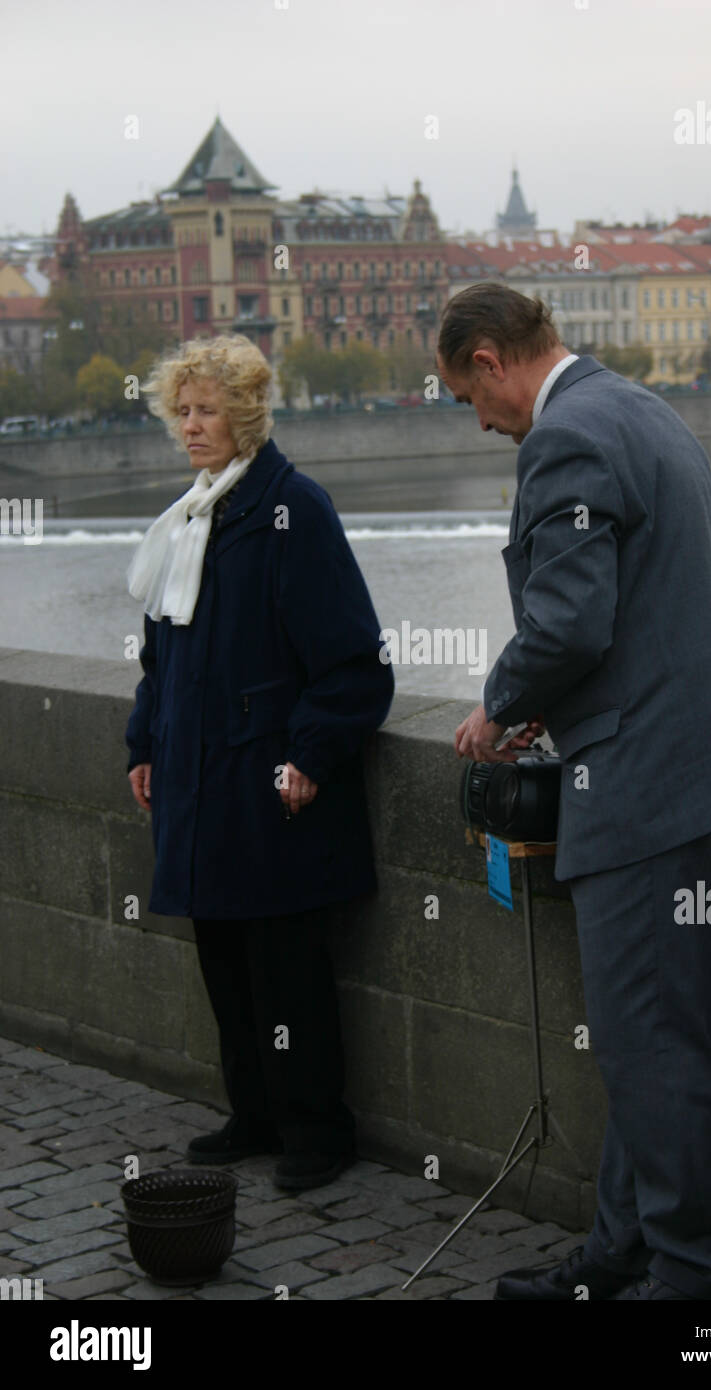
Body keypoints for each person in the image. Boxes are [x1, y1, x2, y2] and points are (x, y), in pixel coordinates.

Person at [438, 285, 711, 1301]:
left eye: (468, 394)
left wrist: (496, 706)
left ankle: (697, 1277)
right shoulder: (643, 410)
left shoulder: (564, 438)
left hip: (642, 786)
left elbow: (567, 625)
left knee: (649, 1045)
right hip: (702, 766)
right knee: (650, 1037)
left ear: (487, 358)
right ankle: (618, 1254)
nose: (478, 419)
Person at [125, 333, 393, 1192]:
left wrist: (308, 753)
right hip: (200, 781)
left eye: (206, 411)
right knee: (224, 955)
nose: (191, 427)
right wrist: (143, 744)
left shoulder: (293, 510)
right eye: (183, 411)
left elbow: (355, 664)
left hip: (270, 784)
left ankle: (317, 1128)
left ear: (245, 416)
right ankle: (255, 1111)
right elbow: (158, 657)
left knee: (287, 967)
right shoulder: (193, 516)